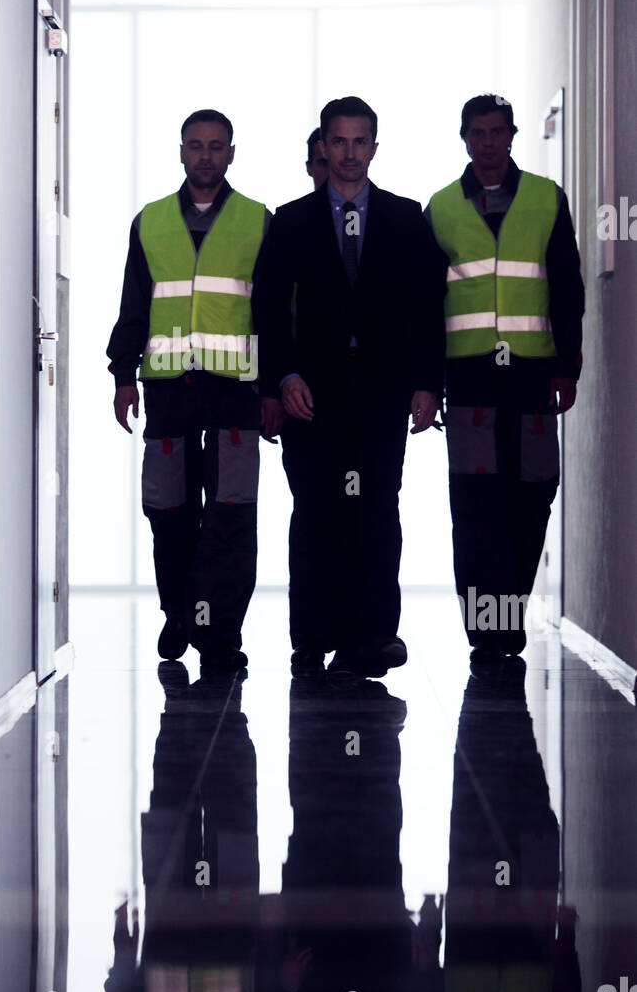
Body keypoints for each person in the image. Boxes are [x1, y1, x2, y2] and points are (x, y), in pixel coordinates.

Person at [252, 95, 443, 681]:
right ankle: (312, 637)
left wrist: (426, 384)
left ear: (375, 149)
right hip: (312, 394)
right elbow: (267, 308)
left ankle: (375, 635)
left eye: (361, 142)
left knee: (377, 510)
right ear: (322, 147)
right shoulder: (290, 222)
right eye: (338, 141)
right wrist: (280, 379)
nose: (349, 153)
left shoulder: (408, 219)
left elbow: (426, 308)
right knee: (316, 512)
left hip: (382, 394)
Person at [108, 109, 277, 672]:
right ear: (181, 152)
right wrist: (121, 375)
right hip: (167, 392)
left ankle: (218, 631)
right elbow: (134, 305)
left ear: (232, 154)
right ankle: (179, 613)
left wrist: (273, 389)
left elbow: (273, 314)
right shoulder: (149, 222)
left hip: (234, 395)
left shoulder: (258, 221)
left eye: (217, 147)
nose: (206, 156)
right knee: (168, 511)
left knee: (231, 514)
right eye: (196, 146)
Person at [425, 94, 583, 662]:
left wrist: (570, 363)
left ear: (512, 135)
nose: (487, 142)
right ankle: (488, 634)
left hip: (533, 376)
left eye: (497, 132)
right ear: (464, 138)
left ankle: (507, 613)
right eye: (477, 133)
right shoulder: (440, 208)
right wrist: (428, 381)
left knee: (533, 494)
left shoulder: (546, 199)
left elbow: (567, 286)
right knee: (475, 504)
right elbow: (425, 303)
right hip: (468, 380)